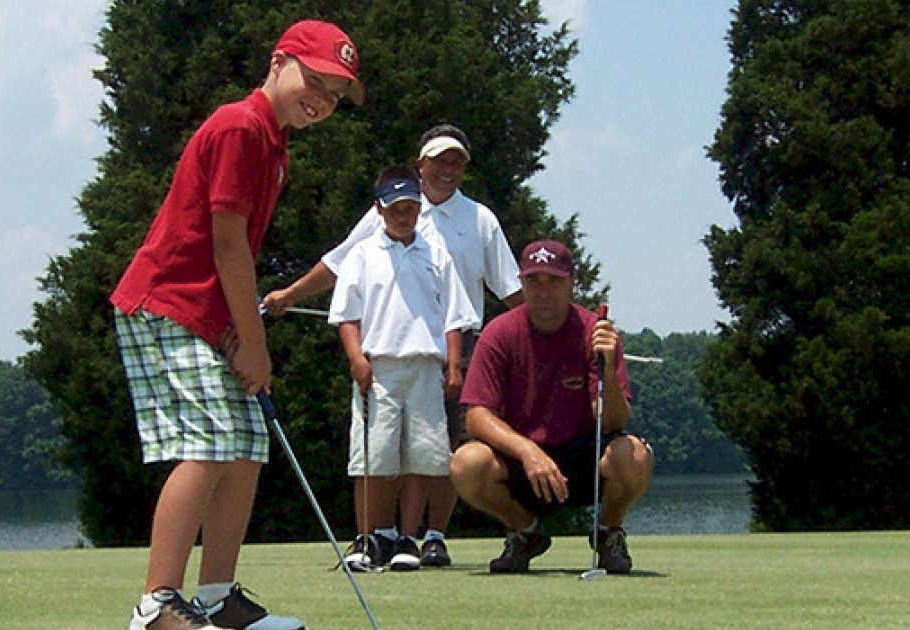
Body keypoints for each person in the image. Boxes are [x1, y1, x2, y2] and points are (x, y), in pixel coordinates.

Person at [110, 19, 364, 630]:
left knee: (246, 445)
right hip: (163, 302)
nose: (323, 100)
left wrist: (236, 329)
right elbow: (226, 243)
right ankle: (156, 605)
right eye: (316, 80)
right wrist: (254, 343)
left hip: (204, 312)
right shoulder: (239, 126)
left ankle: (217, 597)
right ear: (279, 62)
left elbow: (232, 252)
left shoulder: (273, 145)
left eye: (335, 95)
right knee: (210, 440)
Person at [262, 124, 522, 567]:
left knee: (446, 447)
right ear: (421, 164)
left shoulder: (480, 219)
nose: (447, 169)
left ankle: (433, 536)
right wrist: (289, 295)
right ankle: (381, 537)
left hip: (459, 346)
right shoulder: (384, 214)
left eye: (457, 161)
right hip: (388, 351)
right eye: (439, 160)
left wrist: (550, 331)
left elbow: (511, 290)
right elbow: (339, 263)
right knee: (384, 449)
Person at [449, 239, 654, 574]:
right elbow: (476, 415)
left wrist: (609, 371)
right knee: (466, 463)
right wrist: (527, 451)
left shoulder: (596, 332)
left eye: (554, 281)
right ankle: (526, 531)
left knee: (635, 455)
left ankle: (608, 532)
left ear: (572, 282)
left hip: (583, 457)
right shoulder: (498, 333)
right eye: (533, 282)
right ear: (522, 283)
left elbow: (614, 421)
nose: (543, 292)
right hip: (522, 460)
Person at [328, 165, 479, 571]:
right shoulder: (361, 255)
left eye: (411, 206)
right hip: (378, 368)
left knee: (423, 456)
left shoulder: (437, 254)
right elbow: (346, 316)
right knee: (373, 457)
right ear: (380, 209)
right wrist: (356, 359)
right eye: (396, 207)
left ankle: (406, 540)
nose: (404, 214)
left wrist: (453, 365)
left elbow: (452, 316)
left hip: (426, 366)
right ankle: (369, 537)